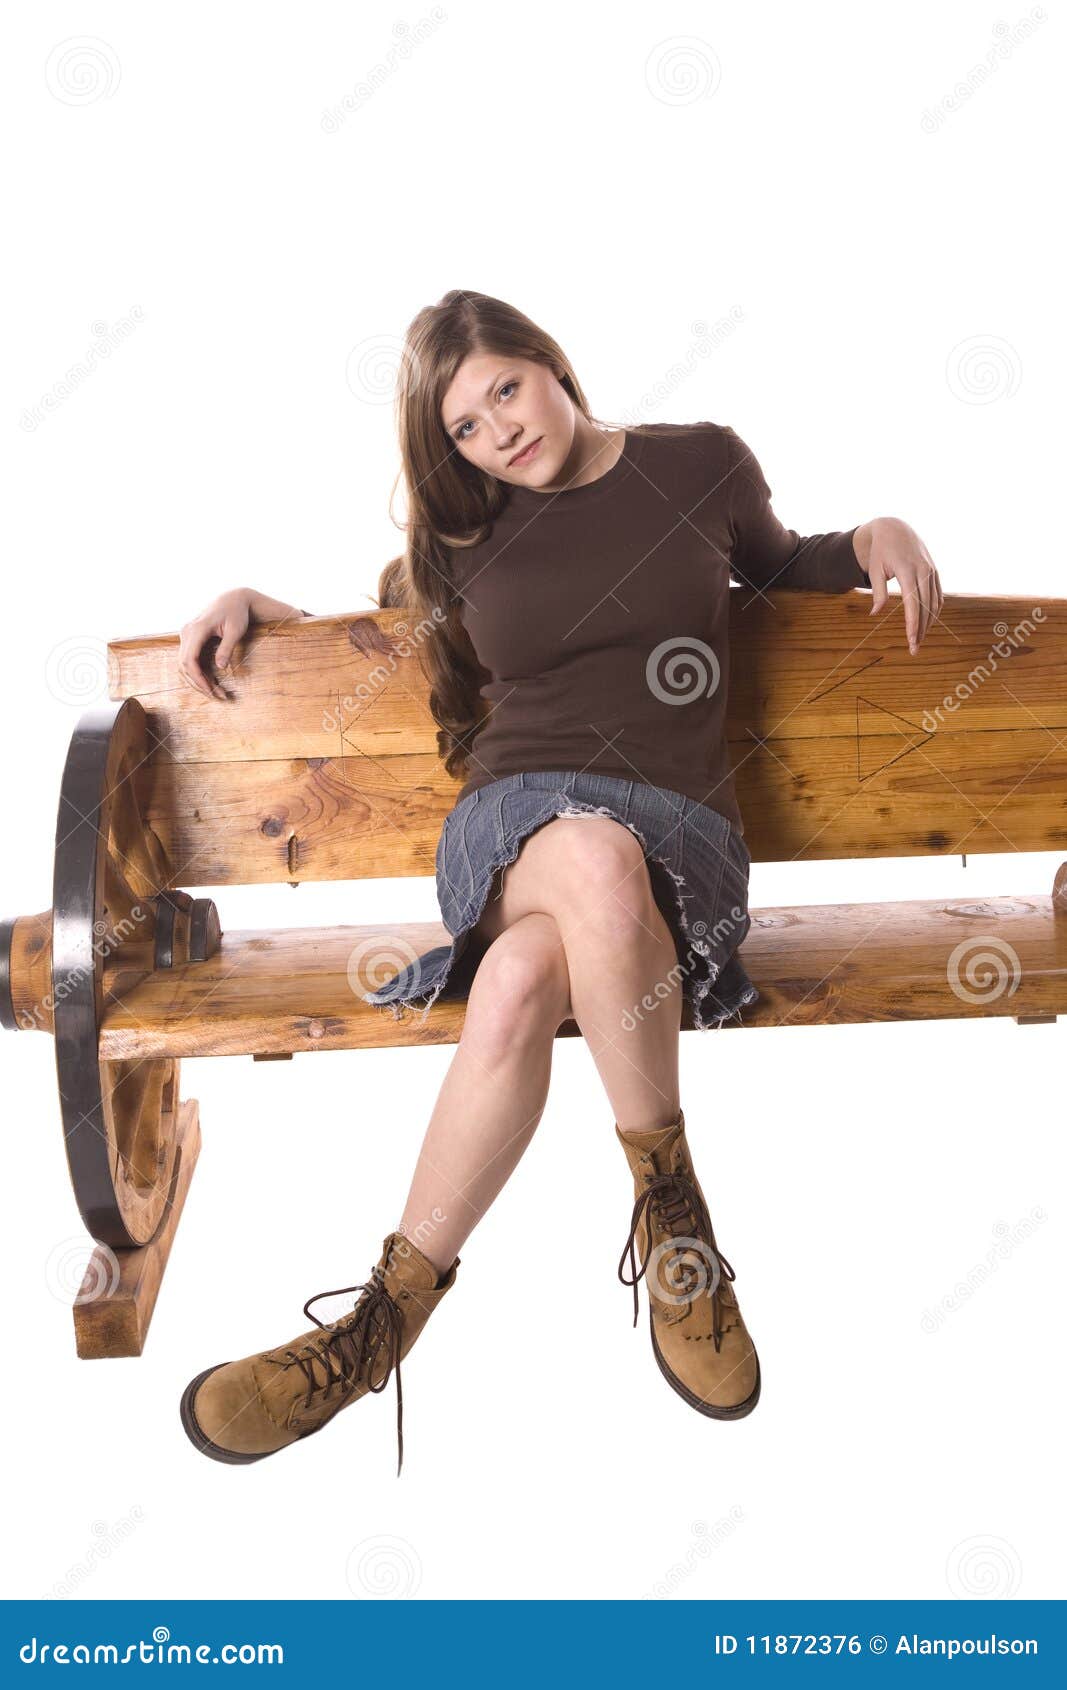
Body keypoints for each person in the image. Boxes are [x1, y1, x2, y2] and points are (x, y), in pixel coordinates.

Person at [175, 290, 943, 1474]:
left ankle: (377, 1327)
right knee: (584, 856)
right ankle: (676, 1224)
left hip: (678, 838)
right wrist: (254, 606)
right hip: (513, 828)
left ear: (547, 362)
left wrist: (877, 530)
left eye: (504, 389)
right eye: (464, 428)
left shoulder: (698, 464)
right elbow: (372, 625)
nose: (498, 432)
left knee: (519, 982)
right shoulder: (458, 542)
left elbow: (786, 563)